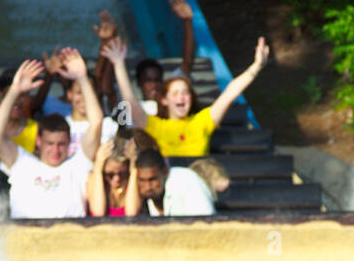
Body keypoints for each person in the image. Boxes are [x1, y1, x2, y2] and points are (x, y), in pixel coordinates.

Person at [103, 34, 270, 157]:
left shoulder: (202, 122)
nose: (181, 97)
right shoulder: (156, 126)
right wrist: (118, 64)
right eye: (175, 93)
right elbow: (130, 102)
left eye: (185, 93)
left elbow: (230, 92)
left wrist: (256, 67)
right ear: (164, 100)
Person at [0, 51, 103, 219]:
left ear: (70, 142)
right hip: (26, 239)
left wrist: (83, 78)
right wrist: (14, 91)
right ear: (39, 141)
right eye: (50, 144)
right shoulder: (21, 163)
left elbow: (97, 121)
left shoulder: (78, 166)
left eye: (61, 144)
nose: (55, 150)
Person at [135, 149, 216, 217]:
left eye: (153, 179)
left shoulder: (186, 180)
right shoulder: (137, 189)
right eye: (142, 180)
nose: (148, 187)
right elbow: (131, 214)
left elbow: (205, 222)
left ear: (165, 172)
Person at [86, 138, 141, 217]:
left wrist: (134, 169)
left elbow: (132, 213)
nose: (117, 178)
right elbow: (98, 213)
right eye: (110, 174)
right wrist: (98, 170)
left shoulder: (133, 179)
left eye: (122, 173)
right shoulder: (94, 179)